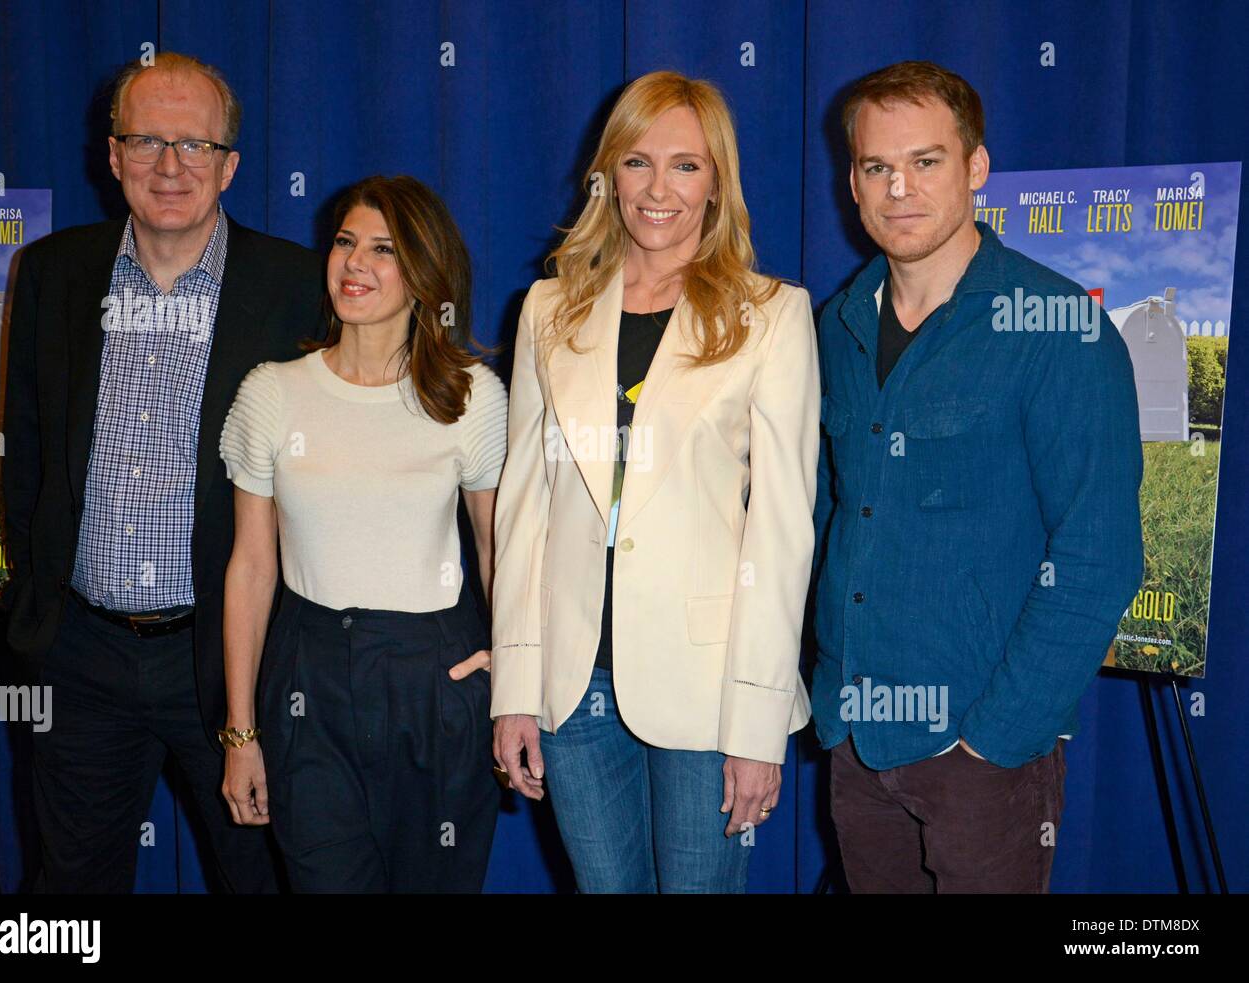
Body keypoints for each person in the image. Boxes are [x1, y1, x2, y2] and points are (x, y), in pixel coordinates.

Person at [811, 60, 1144, 893]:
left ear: (976, 168)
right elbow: (826, 517)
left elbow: (1099, 557)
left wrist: (996, 737)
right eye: (876, 167)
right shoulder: (835, 324)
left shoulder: (1060, 330)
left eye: (925, 162)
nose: (898, 190)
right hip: (855, 742)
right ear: (852, 179)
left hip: (982, 759)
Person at [0, 52, 323, 893]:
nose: (170, 167)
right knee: (66, 898)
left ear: (230, 165)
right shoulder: (52, 274)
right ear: (111, 158)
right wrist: (39, 618)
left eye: (194, 145)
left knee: (263, 877)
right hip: (81, 657)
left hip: (230, 661)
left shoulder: (296, 289)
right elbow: (25, 453)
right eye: (145, 141)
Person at [491, 70, 819, 893]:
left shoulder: (772, 315)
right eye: (637, 162)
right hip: (572, 683)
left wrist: (758, 723)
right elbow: (524, 513)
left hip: (708, 688)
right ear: (607, 176)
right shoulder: (547, 310)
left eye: (686, 165)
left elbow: (782, 532)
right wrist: (515, 687)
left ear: (717, 183)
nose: (658, 188)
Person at [218, 175, 506, 893]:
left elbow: (499, 548)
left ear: (423, 273)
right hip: (306, 680)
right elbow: (251, 567)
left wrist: (513, 677)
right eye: (346, 242)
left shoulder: (470, 397)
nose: (356, 264)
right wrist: (241, 731)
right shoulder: (272, 391)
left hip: (436, 681)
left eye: (384, 249)